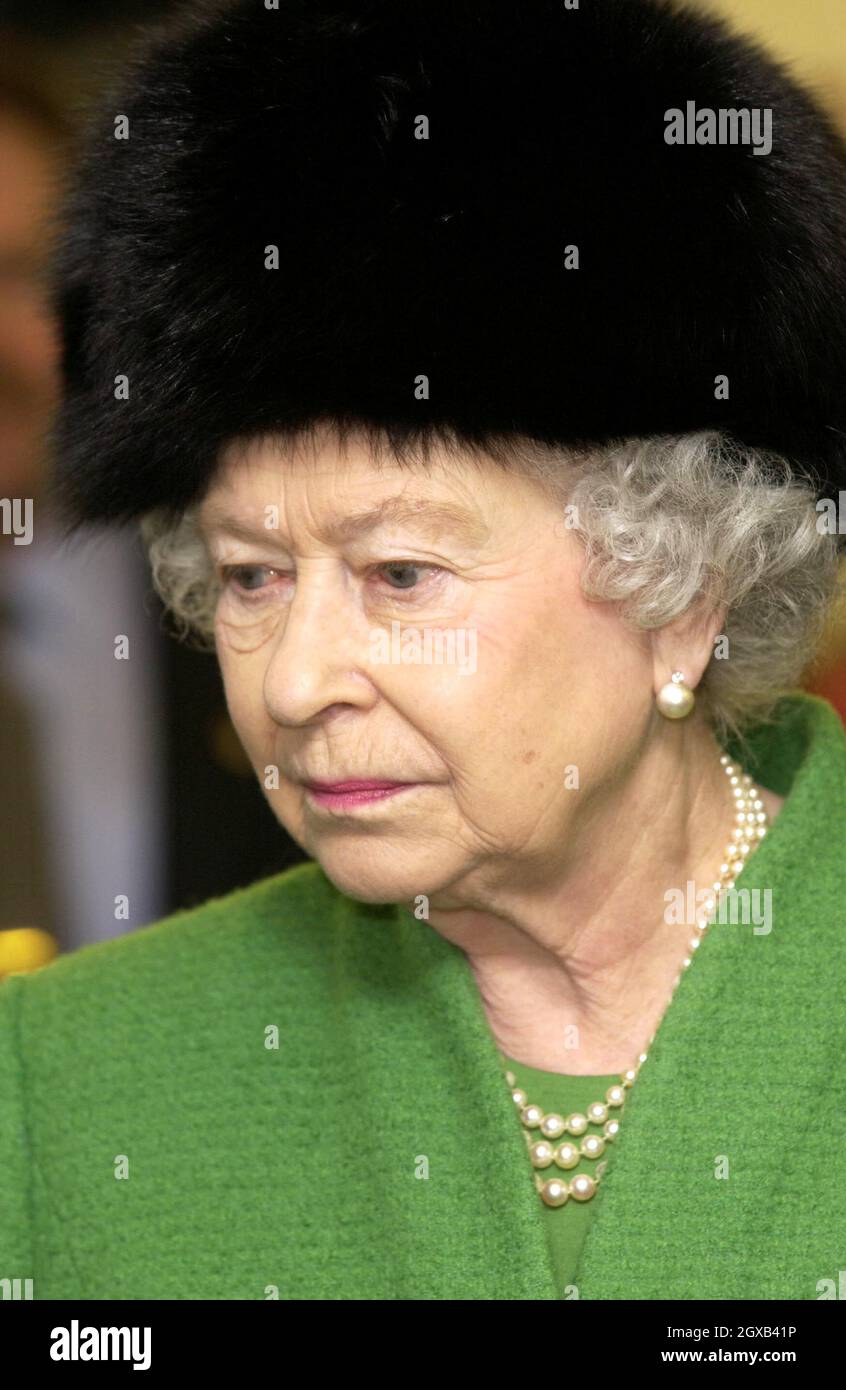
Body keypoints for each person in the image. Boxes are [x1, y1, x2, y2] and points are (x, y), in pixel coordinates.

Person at [2, 0, 846, 1300]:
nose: (291, 680)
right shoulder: (65, 1075)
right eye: (249, 577)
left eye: (400, 573)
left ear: (683, 587)